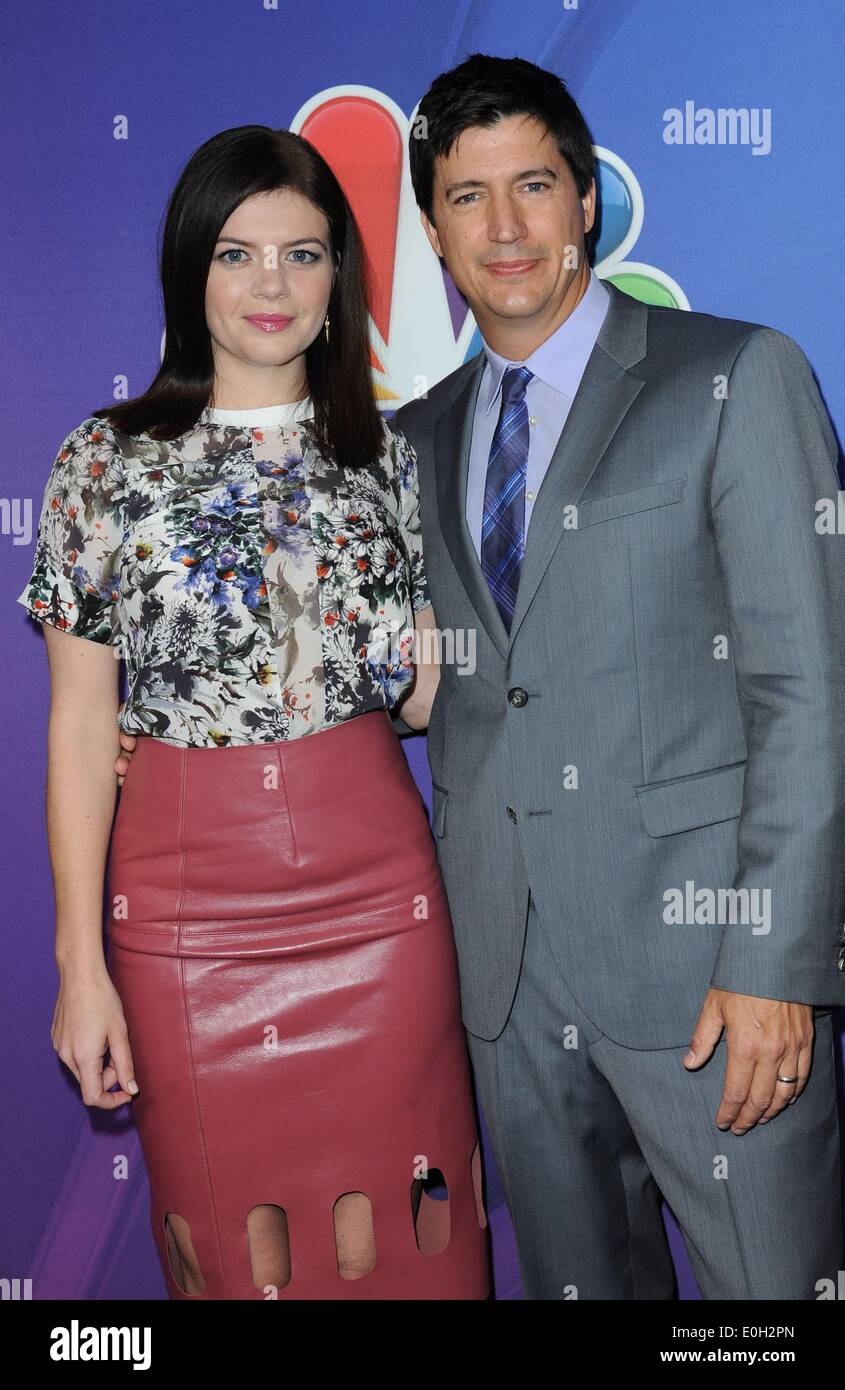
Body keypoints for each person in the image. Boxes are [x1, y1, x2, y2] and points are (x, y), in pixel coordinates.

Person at [383, 54, 844, 1298]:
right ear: (433, 230)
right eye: (467, 197)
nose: (505, 226)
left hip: (707, 979)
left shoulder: (735, 377)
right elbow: (398, 671)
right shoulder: (412, 439)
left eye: (531, 184)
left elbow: (811, 692)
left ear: (584, 199)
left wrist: (771, 964)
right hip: (508, 987)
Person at [15, 125, 490, 1301]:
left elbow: (422, 687)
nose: (270, 284)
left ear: (340, 283)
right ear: (192, 275)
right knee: (253, 1257)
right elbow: (81, 726)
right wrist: (81, 965)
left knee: (409, 1243)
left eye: (302, 254)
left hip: (380, 902)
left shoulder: (392, 457)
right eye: (236, 254)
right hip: (189, 916)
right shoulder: (104, 461)